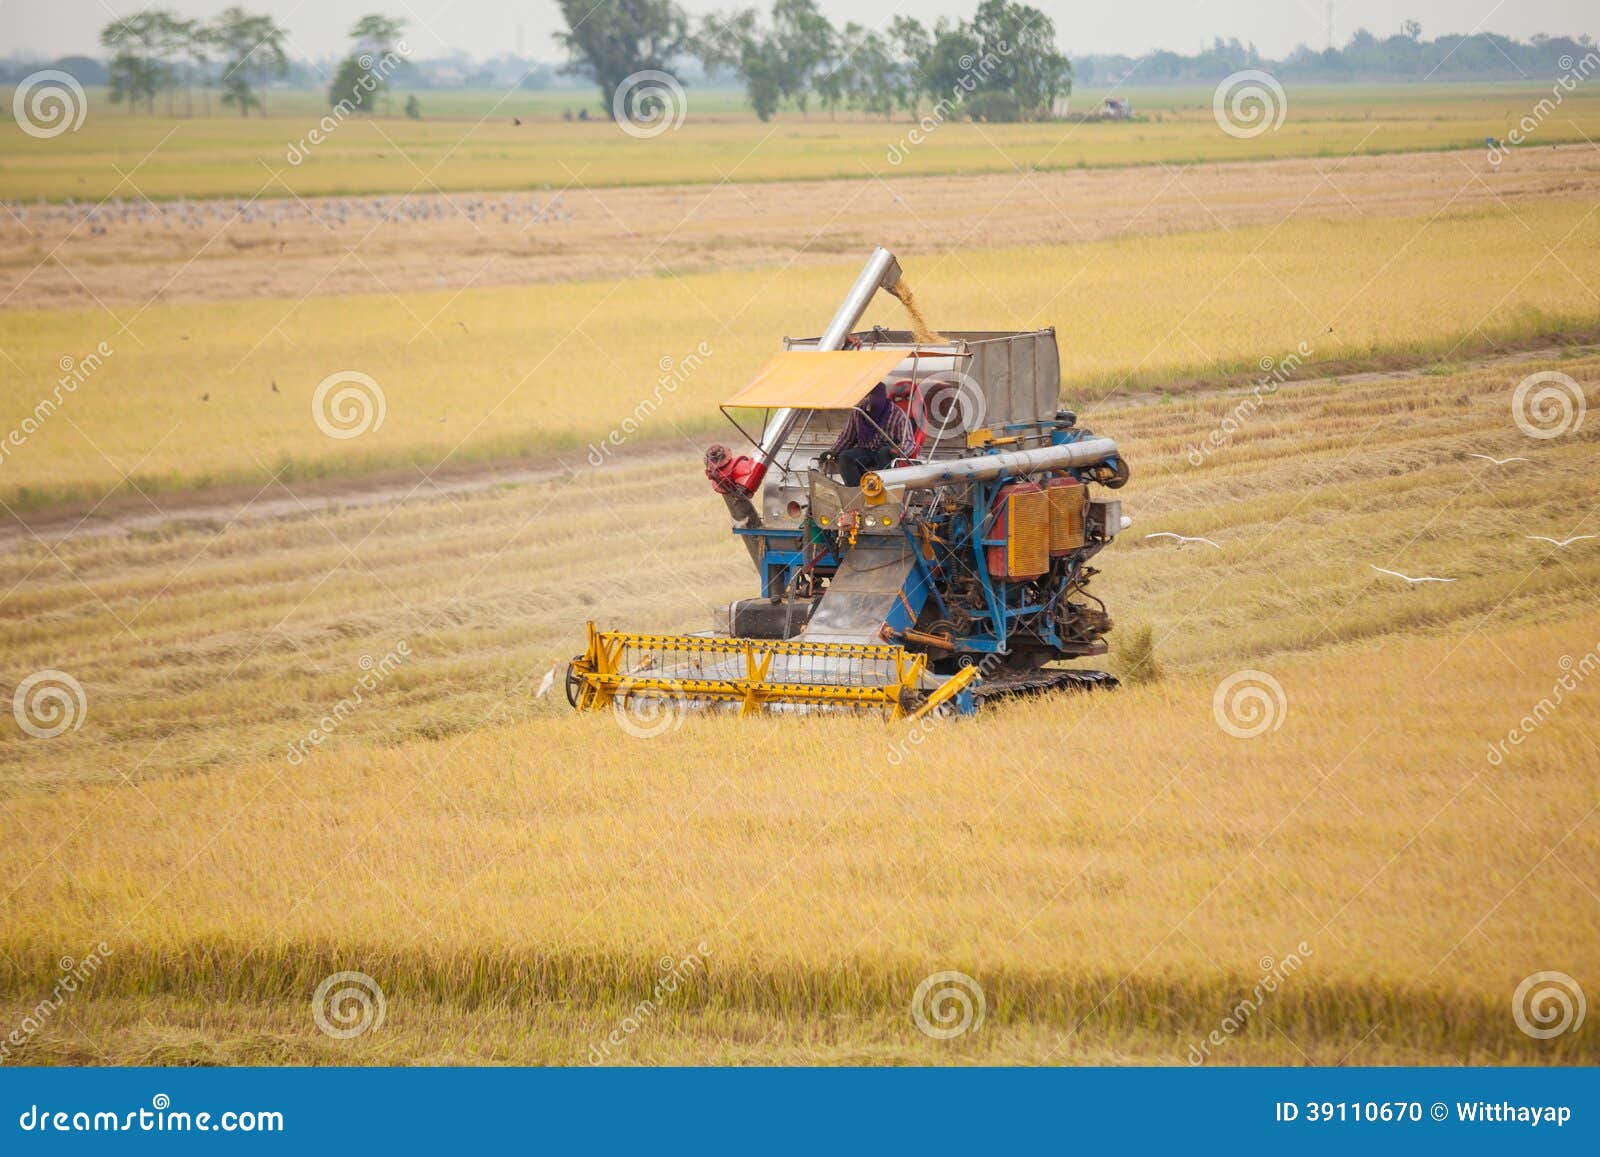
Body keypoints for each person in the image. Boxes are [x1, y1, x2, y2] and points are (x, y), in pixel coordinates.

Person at [827, 382, 915, 486]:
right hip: (865, 450)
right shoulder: (859, 412)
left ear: (882, 397)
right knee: (845, 457)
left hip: (887, 453)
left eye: (873, 396)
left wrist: (899, 450)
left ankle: (881, 492)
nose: (869, 400)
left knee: (883, 453)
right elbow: (847, 438)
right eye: (867, 396)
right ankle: (856, 492)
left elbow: (909, 442)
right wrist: (832, 452)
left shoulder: (897, 415)